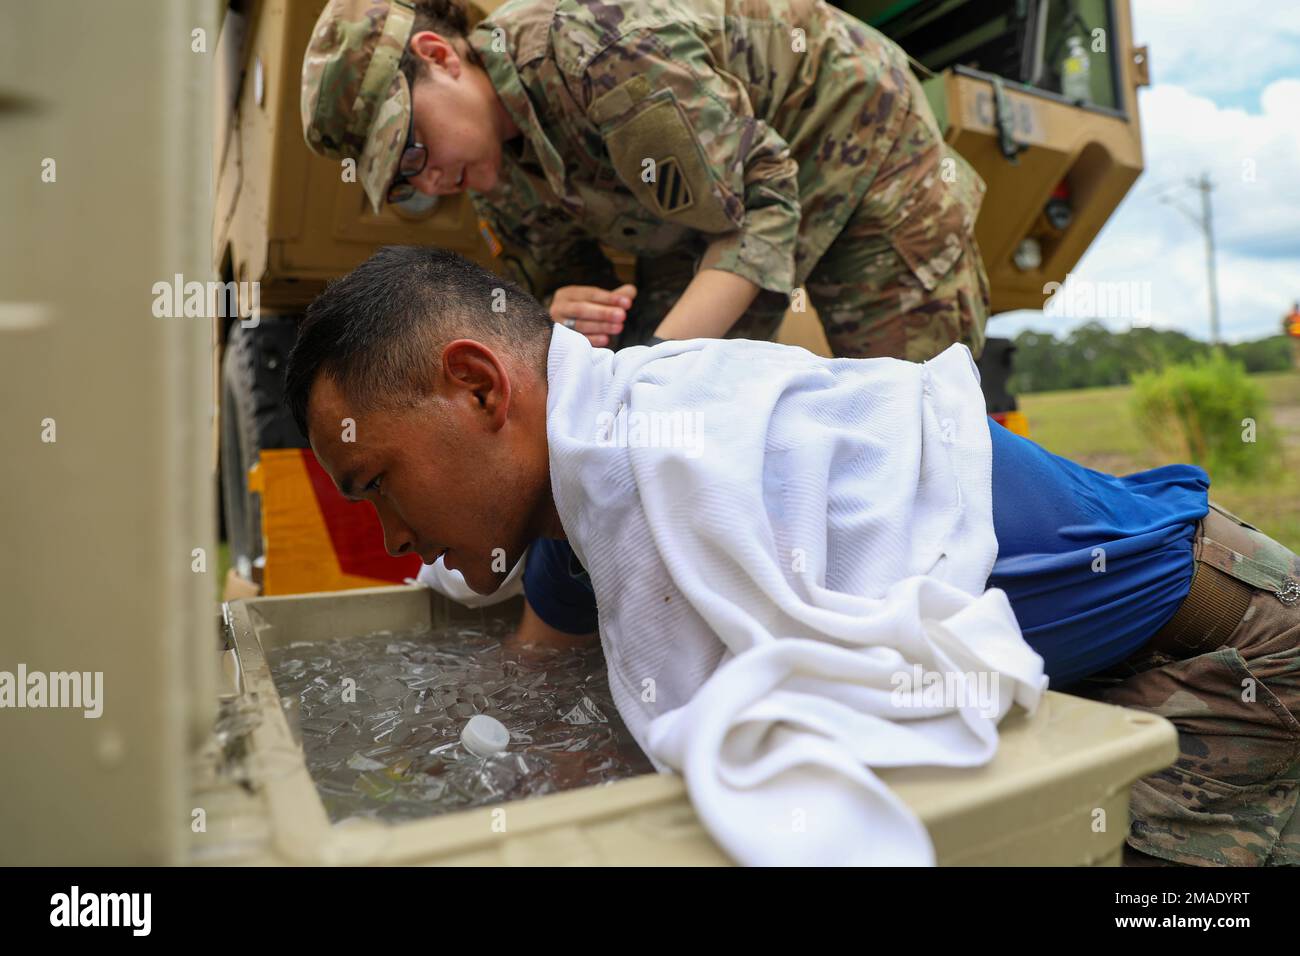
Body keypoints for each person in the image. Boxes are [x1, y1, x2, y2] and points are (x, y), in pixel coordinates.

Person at [285, 245, 1300, 866]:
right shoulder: (583, 479)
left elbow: (674, 773)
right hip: (1127, 639)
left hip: (1232, 651)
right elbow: (534, 667)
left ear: (478, 388)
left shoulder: (670, 465)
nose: (391, 539)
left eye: (376, 481)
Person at [300, 0, 990, 359]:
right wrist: (564, 314)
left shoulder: (592, 54)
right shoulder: (494, 175)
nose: (432, 178)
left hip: (854, 137)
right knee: (662, 411)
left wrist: (658, 363)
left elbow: (765, 199)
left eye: (412, 145)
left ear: (440, 55)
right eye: (403, 177)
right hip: (712, 204)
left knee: (915, 412)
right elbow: (571, 287)